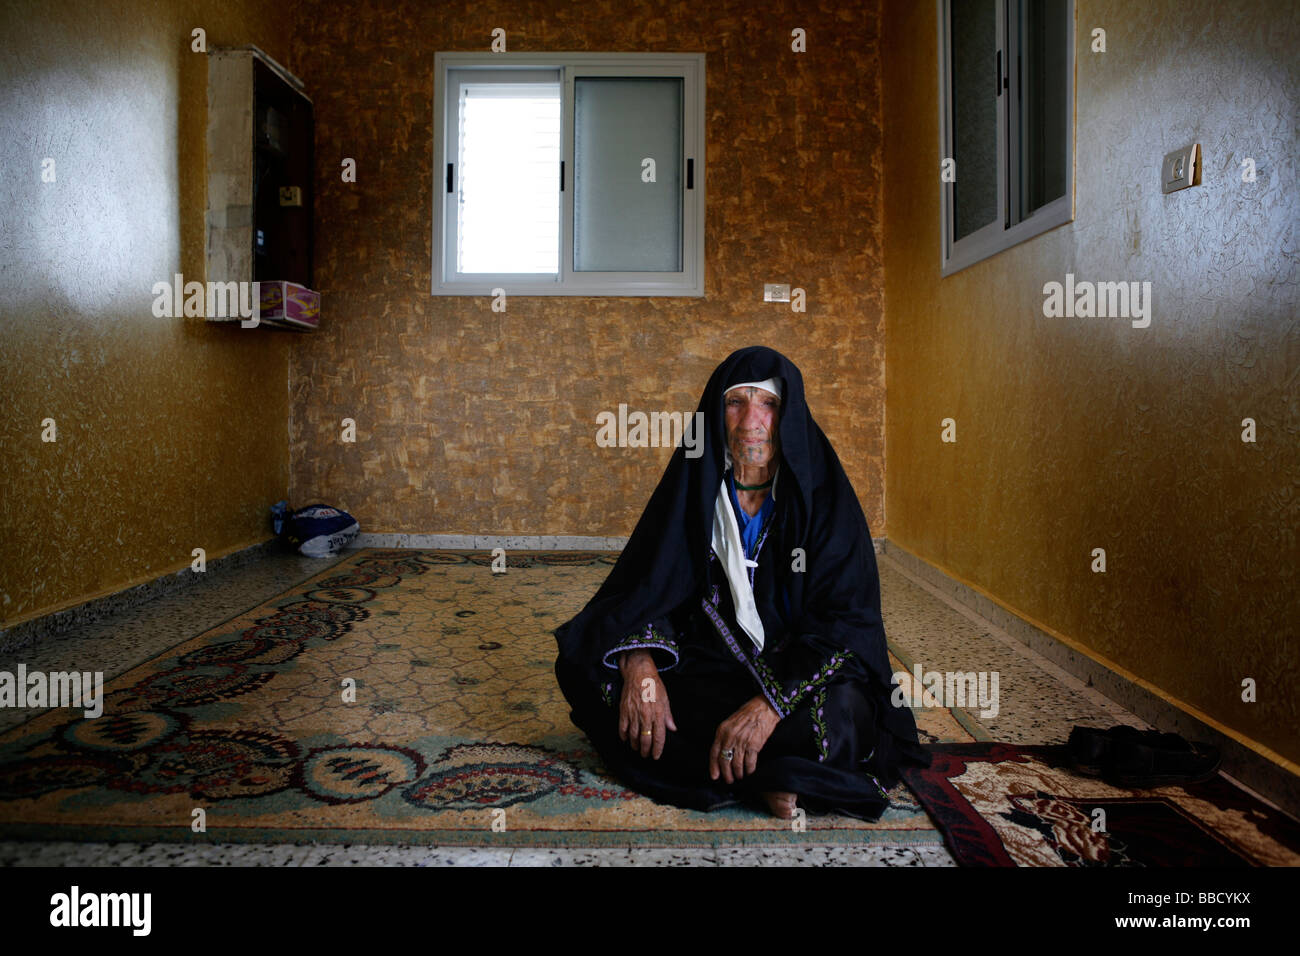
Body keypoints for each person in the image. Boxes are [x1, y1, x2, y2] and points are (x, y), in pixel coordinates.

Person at [553, 346, 930, 819]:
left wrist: (769, 705)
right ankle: (781, 774)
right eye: (736, 402)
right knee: (589, 672)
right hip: (711, 668)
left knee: (844, 712)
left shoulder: (823, 499)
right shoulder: (694, 489)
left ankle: (741, 765)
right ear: (716, 413)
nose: (751, 419)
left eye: (768, 404)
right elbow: (644, 590)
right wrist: (641, 664)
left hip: (800, 675)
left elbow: (846, 625)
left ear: (788, 415)